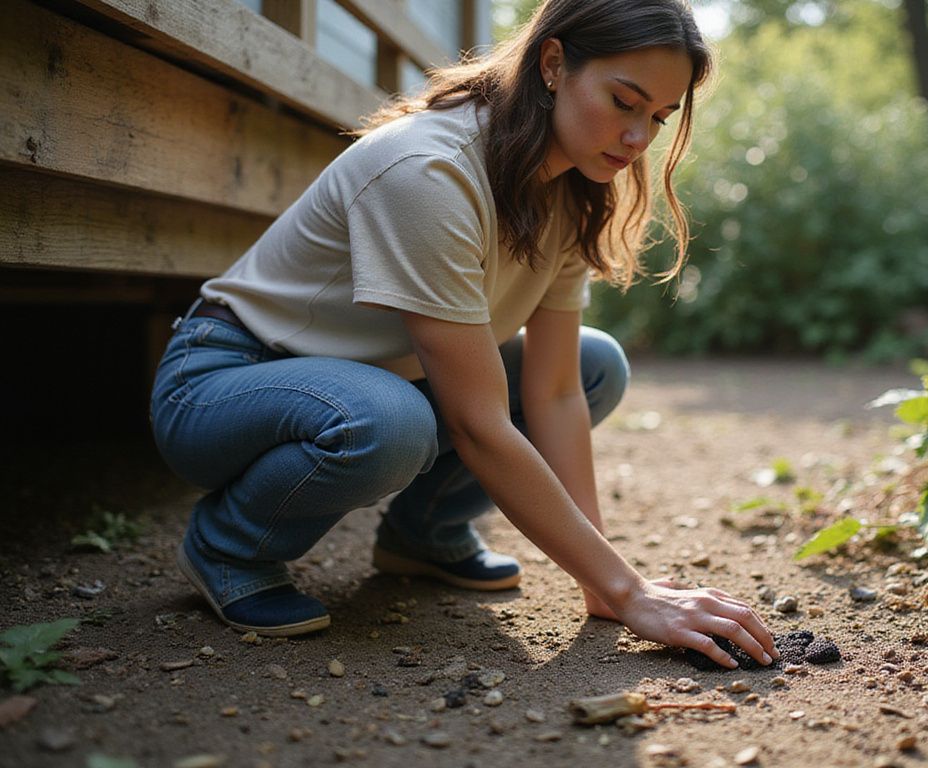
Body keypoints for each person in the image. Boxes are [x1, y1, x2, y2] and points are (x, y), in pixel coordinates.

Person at [148, 0, 776, 670]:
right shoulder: (431, 170)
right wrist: (634, 592)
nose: (638, 138)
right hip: (218, 384)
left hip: (373, 382)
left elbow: (558, 393)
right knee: (392, 422)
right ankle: (230, 545)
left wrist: (604, 582)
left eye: (658, 117)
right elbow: (476, 423)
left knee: (596, 366)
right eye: (625, 101)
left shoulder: (569, 191)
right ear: (554, 64)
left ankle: (424, 535)